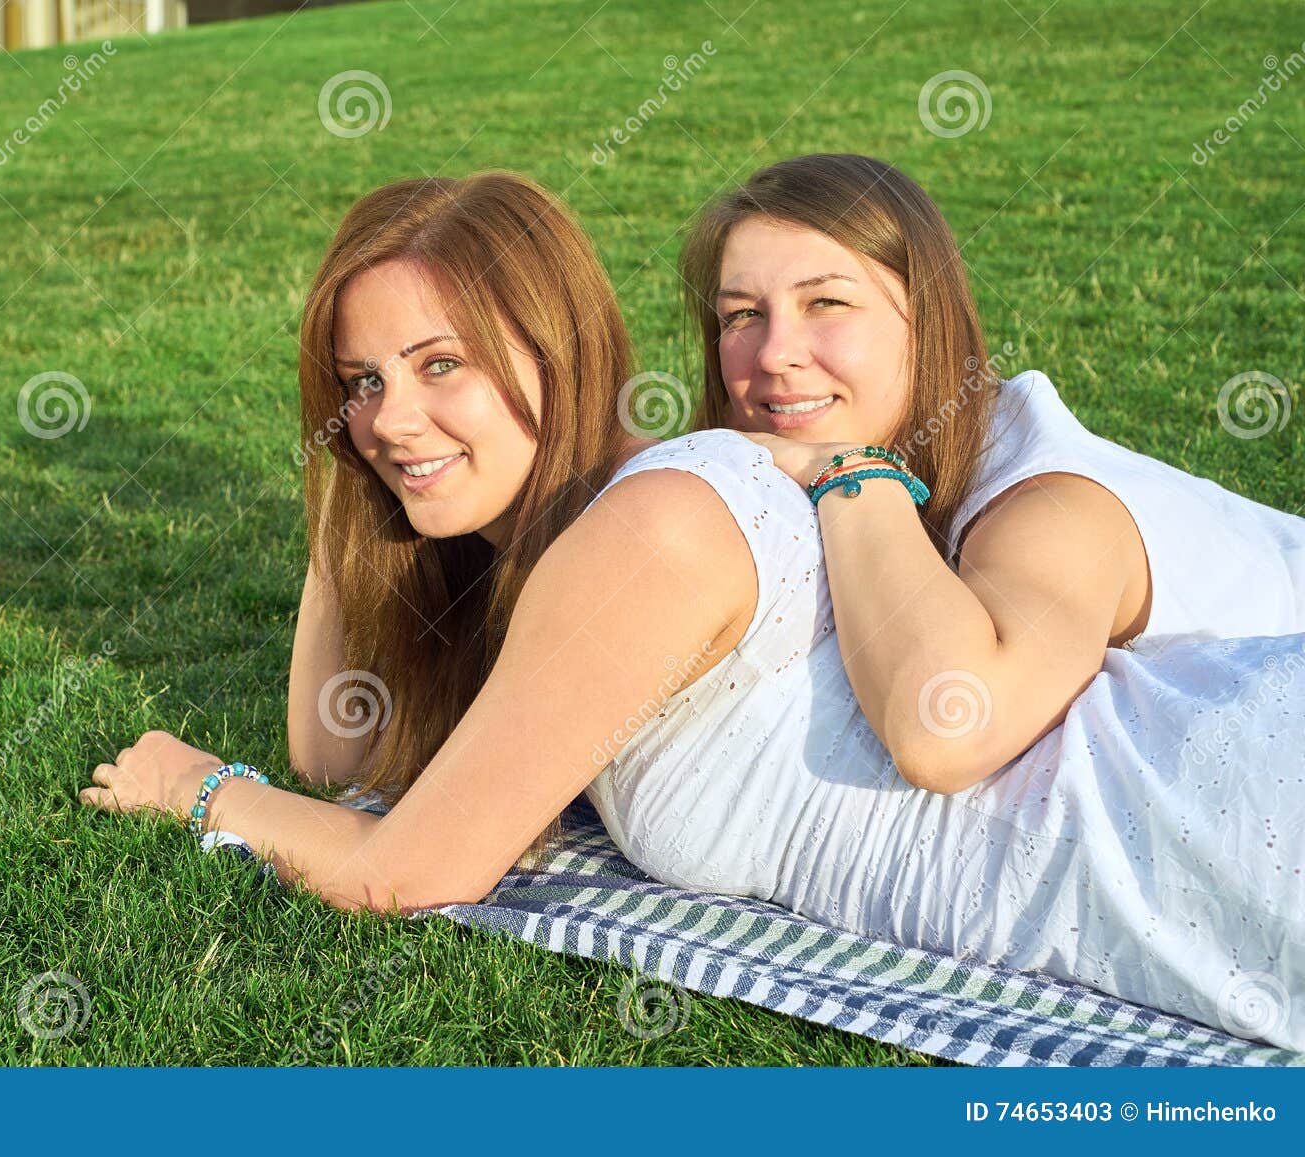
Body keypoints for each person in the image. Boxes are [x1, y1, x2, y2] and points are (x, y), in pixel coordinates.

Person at [78, 169, 1305, 1054]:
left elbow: (405, 866)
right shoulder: (617, 522)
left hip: (1205, 807)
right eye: (360, 381)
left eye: (441, 364)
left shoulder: (654, 529)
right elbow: (345, 750)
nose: (393, 413)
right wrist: (360, 486)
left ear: (551, 347)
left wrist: (198, 786)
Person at [683, 152, 1305, 793]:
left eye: (827, 303)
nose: (775, 353)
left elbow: (946, 734)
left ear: (929, 322)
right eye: (742, 315)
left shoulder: (1051, 508)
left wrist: (851, 471)